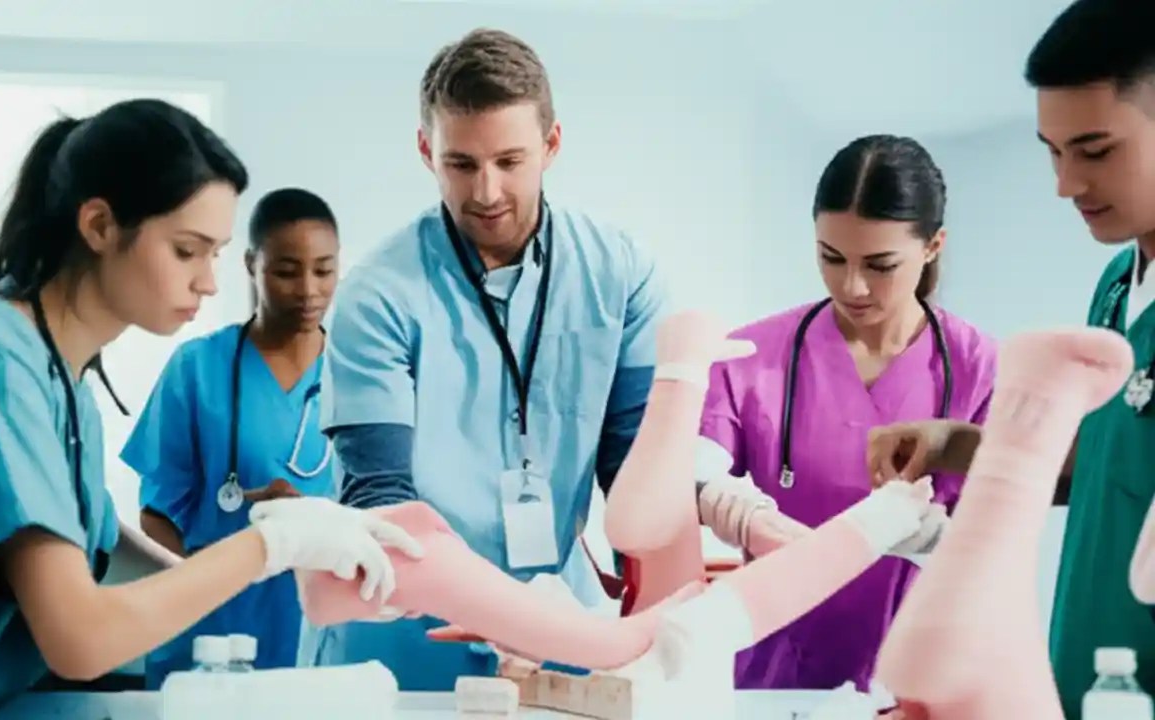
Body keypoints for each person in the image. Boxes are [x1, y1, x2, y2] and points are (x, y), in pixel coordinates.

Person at [0, 99, 420, 719]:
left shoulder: (64, 378)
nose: (209, 283)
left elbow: (103, 551)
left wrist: (304, 554)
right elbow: (79, 638)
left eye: (214, 254)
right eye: (187, 251)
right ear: (101, 226)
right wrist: (270, 546)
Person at [313, 27, 666, 690]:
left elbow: (631, 468)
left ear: (552, 145)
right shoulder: (378, 290)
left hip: (563, 626)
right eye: (461, 164)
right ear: (426, 150)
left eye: (510, 160)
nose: (486, 191)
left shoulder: (620, 274)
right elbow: (379, 494)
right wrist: (491, 608)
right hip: (405, 638)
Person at [868, 3, 1155, 717]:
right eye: (1052, 151)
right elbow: (1111, 460)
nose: (1064, 184)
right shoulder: (1118, 287)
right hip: (1088, 673)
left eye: (1094, 151)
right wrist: (958, 445)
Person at [697, 134, 998, 692]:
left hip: (920, 678)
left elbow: (1005, 522)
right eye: (830, 257)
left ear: (933, 246)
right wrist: (727, 506)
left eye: (880, 264)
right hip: (775, 680)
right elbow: (692, 469)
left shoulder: (976, 365)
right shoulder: (754, 355)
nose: (851, 286)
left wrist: (939, 539)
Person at [120, 187, 342, 687]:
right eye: (286, 271)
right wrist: (193, 590)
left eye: (324, 270)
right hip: (212, 633)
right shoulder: (198, 368)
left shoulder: (361, 374)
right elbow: (158, 513)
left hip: (320, 628)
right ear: (250, 264)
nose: (308, 289)